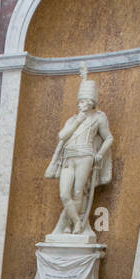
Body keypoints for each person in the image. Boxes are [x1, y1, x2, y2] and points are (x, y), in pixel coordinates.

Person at [45, 67, 112, 238]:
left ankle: (69, 225)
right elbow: (62, 136)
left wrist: (100, 154)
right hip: (68, 158)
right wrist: (77, 122)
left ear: (90, 102)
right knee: (64, 194)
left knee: (78, 192)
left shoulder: (99, 118)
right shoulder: (73, 119)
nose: (79, 104)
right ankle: (76, 221)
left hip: (85, 156)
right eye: (79, 101)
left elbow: (109, 138)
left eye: (82, 101)